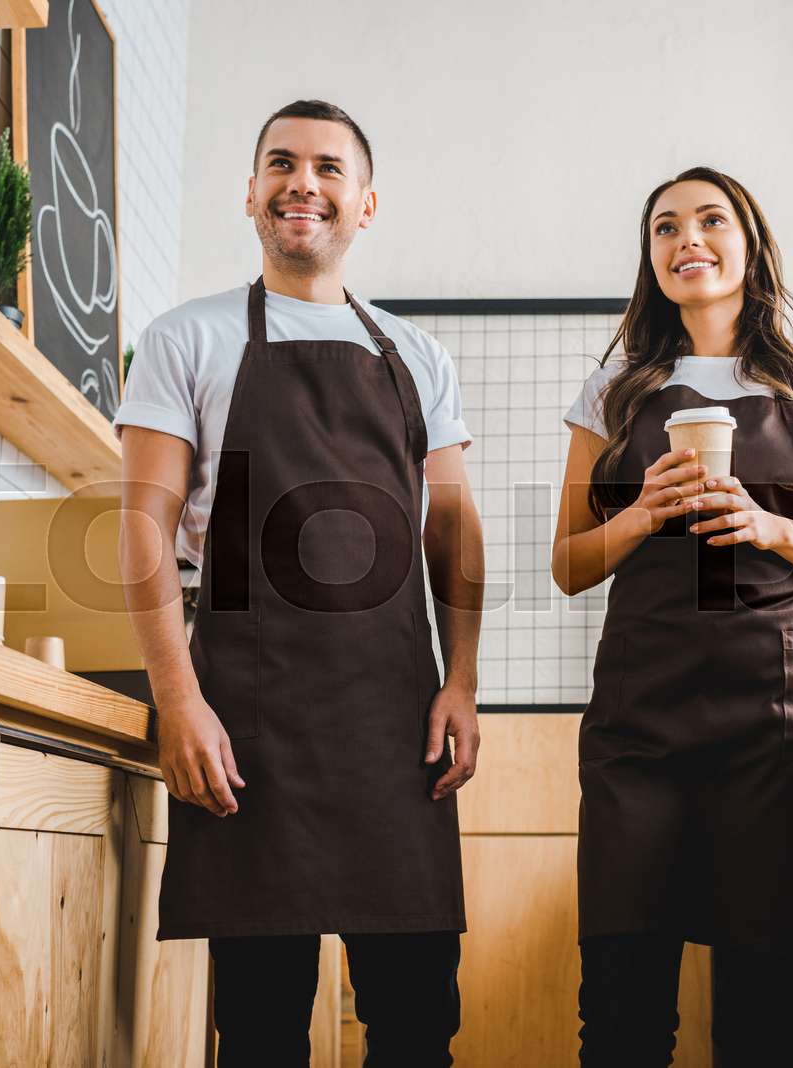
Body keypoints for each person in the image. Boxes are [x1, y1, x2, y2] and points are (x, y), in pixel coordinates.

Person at [115, 99, 484, 1067]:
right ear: (250, 193)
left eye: (328, 167)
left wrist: (463, 682)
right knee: (260, 1030)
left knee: (415, 1027)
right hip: (248, 727)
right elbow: (143, 529)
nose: (302, 183)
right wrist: (176, 701)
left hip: (394, 730)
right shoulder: (185, 339)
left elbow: (452, 528)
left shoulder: (419, 358)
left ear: (366, 204)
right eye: (281, 163)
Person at [551, 165, 793, 1065]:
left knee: (763, 1026)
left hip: (772, 726)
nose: (687, 240)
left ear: (749, 245)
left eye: (709, 221)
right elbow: (567, 566)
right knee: (621, 1023)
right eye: (665, 228)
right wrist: (639, 515)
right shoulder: (613, 392)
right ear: (651, 258)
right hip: (639, 726)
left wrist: (771, 525)